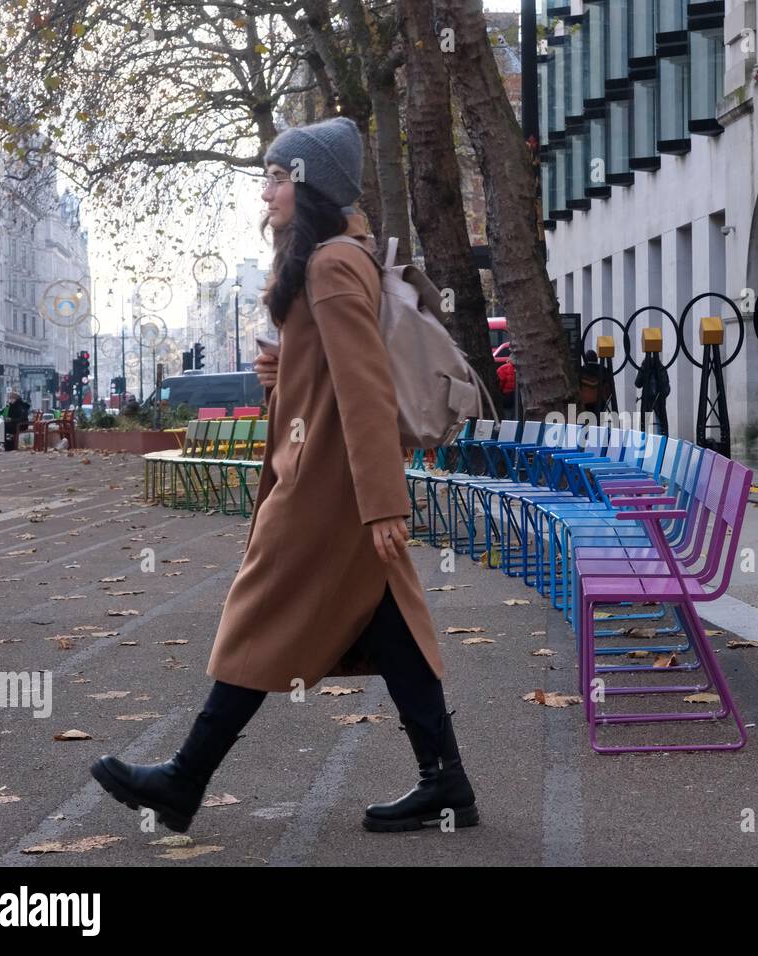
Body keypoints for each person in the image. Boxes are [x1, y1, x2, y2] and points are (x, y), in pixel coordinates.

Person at [90, 115, 477, 835]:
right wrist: (282, 368)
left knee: (258, 617)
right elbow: (328, 375)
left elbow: (364, 390)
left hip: (330, 491)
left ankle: (183, 779)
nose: (266, 191)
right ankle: (446, 783)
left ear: (310, 185)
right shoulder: (332, 258)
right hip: (336, 482)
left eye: (276, 176)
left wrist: (382, 505)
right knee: (391, 629)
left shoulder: (330, 263)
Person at [635, 353, 670, 435]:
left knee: (645, 425)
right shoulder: (662, 368)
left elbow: (637, 383)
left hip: (647, 399)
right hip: (659, 400)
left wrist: (642, 370)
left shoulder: (645, 367)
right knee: (661, 424)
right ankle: (663, 443)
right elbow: (666, 388)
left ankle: (645, 443)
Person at [579, 349, 614, 418]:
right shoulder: (604, 370)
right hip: (601, 404)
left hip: (585, 405)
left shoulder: (581, 370)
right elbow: (609, 390)